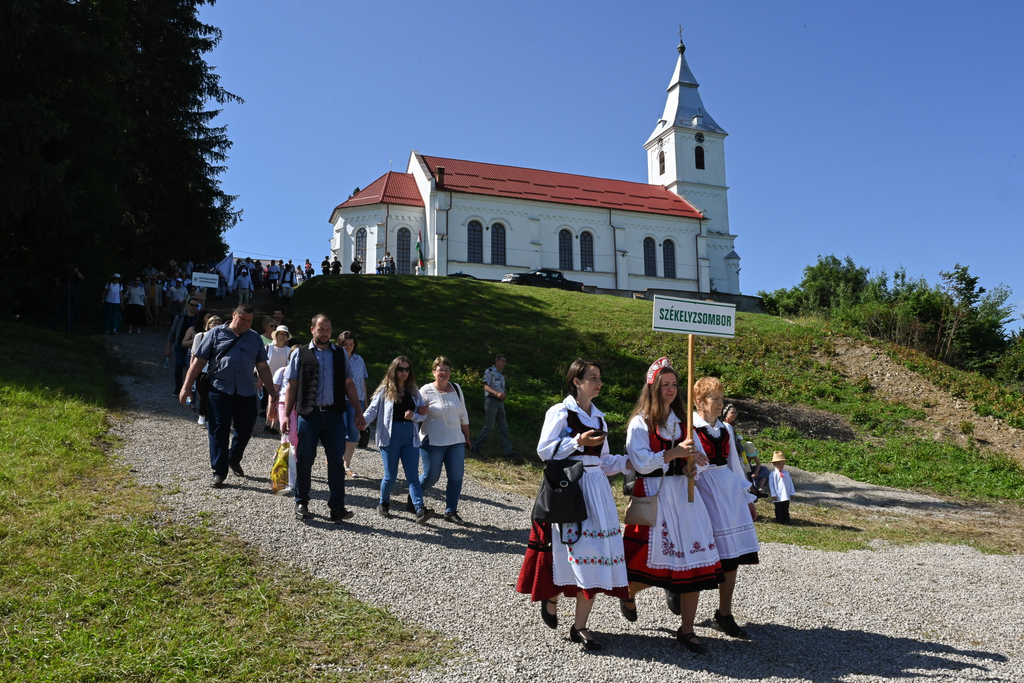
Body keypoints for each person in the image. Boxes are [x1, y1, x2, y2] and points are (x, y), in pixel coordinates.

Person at [515, 358, 631, 651]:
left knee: (595, 555)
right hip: (570, 488)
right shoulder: (561, 412)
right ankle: (551, 597)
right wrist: (577, 441)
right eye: (593, 377)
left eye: (599, 377)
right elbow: (545, 451)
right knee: (570, 552)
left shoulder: (600, 418)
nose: (599, 382)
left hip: (597, 489)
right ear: (576, 382)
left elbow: (603, 461)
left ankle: (579, 626)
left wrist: (632, 463)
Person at [621, 357, 723, 654]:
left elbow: (700, 458)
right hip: (657, 495)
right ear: (652, 387)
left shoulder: (685, 422)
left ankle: (687, 630)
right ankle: (628, 592)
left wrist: (695, 465)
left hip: (686, 497)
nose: (671, 389)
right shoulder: (640, 423)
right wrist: (672, 453)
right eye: (665, 384)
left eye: (675, 384)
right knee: (652, 564)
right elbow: (640, 462)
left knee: (694, 565)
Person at [690, 376, 760, 640]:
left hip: (728, 492)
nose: (720, 404)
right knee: (698, 552)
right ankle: (677, 588)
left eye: (721, 398)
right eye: (715, 399)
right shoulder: (689, 429)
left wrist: (747, 500)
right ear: (699, 401)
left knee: (731, 556)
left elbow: (734, 465)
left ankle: (724, 612)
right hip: (702, 492)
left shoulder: (726, 430)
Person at [180, 305, 276, 488]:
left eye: (250, 320)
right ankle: (219, 472)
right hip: (219, 390)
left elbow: (263, 366)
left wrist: (272, 391)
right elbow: (199, 361)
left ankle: (233, 458)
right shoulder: (215, 334)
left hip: (246, 392)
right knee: (218, 431)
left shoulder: (255, 338)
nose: (246, 323)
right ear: (233, 315)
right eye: (243, 319)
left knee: (246, 429)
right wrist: (186, 387)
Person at [282, 314, 366, 522]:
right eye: (321, 329)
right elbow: (292, 385)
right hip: (308, 415)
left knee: (336, 461)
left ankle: (337, 506)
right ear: (313, 330)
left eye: (328, 329)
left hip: (334, 415)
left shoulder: (340, 354)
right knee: (305, 460)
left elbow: (349, 384)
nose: (325, 333)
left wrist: (358, 410)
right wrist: (286, 415)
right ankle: (301, 502)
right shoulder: (300, 353)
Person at [363, 356, 432, 523]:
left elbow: (423, 415)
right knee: (391, 476)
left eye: (407, 369)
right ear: (394, 370)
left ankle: (420, 508)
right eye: (401, 369)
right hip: (390, 437)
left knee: (413, 476)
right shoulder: (385, 390)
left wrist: (414, 415)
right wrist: (361, 421)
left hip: (410, 437)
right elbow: (372, 410)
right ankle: (383, 503)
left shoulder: (414, 392)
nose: (404, 372)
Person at [417, 356, 472, 524]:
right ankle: (415, 497)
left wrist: (467, 437)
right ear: (434, 372)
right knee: (431, 477)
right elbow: (416, 414)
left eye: (446, 370)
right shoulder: (425, 390)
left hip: (455, 440)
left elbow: (463, 415)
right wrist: (420, 410)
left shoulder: (456, 388)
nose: (443, 373)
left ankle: (450, 511)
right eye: (440, 370)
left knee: (456, 477)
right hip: (433, 441)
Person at [472, 354, 517, 458]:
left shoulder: (501, 375)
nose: (504, 363)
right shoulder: (490, 371)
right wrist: (497, 393)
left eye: (505, 361)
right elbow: (486, 387)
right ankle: (476, 446)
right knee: (489, 427)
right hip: (491, 400)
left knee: (504, 427)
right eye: (503, 361)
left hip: (500, 403)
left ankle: (508, 451)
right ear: (497, 361)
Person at [338, 331, 368, 475]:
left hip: (358, 401)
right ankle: (335, 458)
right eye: (345, 345)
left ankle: (346, 464)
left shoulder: (359, 360)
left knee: (353, 432)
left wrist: (365, 403)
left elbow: (362, 381)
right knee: (339, 431)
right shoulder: (336, 358)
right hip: (340, 400)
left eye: (351, 344)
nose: (348, 347)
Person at [724, 403, 768, 496]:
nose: (734, 414)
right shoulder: (726, 426)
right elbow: (731, 443)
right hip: (733, 455)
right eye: (732, 412)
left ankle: (753, 491)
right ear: (726, 413)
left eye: (736, 413)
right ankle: (752, 492)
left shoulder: (730, 426)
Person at [186, 314, 222, 426]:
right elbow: (193, 354)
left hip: (216, 371)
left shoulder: (223, 339)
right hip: (202, 370)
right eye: (212, 323)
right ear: (208, 325)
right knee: (203, 394)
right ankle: (202, 415)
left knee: (213, 395)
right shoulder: (199, 336)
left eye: (217, 323)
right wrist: (192, 370)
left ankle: (209, 417)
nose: (215, 325)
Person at [166, 297, 200, 395]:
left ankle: (188, 388)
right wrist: (168, 347)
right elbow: (172, 332)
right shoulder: (180, 317)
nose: (194, 307)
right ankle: (178, 387)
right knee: (179, 364)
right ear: (187, 305)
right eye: (192, 305)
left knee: (191, 367)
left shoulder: (198, 319)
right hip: (180, 345)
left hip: (193, 347)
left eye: (196, 305)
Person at [264, 325, 292, 433]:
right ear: (276, 335)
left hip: (281, 380)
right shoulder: (268, 347)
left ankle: (273, 425)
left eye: (285, 334)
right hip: (268, 379)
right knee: (270, 401)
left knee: (277, 401)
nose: (283, 336)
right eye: (281, 334)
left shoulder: (289, 350)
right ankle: (268, 422)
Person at [769, 451, 795, 524]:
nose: (781, 465)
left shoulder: (786, 473)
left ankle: (787, 520)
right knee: (778, 508)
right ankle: (779, 520)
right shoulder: (773, 474)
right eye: (779, 464)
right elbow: (771, 485)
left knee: (785, 508)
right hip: (777, 495)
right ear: (774, 464)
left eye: (782, 464)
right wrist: (773, 494)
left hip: (786, 494)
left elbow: (790, 483)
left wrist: (792, 493)